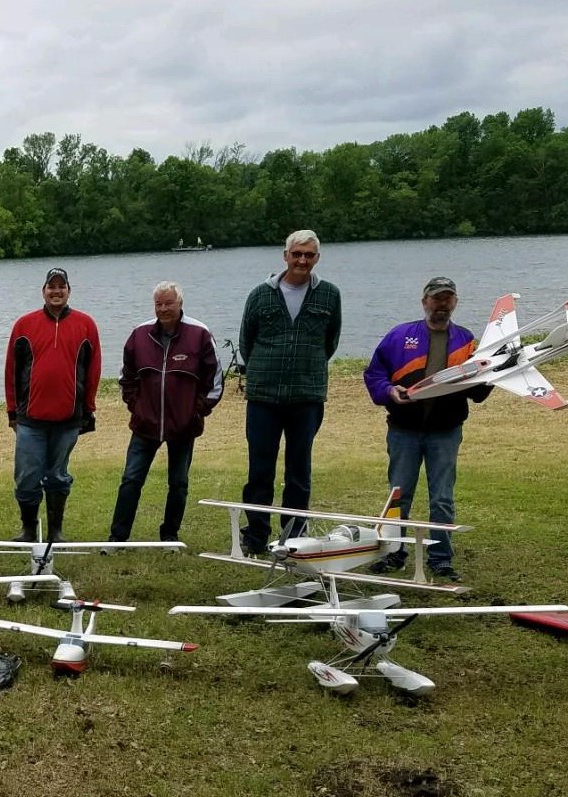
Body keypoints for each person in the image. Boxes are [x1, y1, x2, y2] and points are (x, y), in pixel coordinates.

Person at [362, 277, 491, 581]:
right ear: (424, 302)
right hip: (404, 430)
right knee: (399, 494)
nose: (441, 304)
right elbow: (374, 374)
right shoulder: (399, 336)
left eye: (447, 298)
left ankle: (441, 558)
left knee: (442, 498)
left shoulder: (467, 341)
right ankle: (392, 553)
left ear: (455, 302)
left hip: (445, 431)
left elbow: (479, 391)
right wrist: (389, 391)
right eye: (436, 298)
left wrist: (495, 371)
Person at [237, 230, 342, 554]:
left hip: (306, 397)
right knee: (260, 470)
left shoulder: (329, 295)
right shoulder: (259, 294)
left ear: (317, 258)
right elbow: (246, 342)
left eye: (309, 255)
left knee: (299, 470)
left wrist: (304, 368)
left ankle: (294, 537)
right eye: (296, 254)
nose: (302, 260)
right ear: (285, 255)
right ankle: (256, 535)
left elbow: (330, 342)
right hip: (263, 398)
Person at [107, 282, 221, 544]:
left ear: (180, 303)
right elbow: (127, 376)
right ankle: (117, 537)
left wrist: (196, 412)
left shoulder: (199, 334)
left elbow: (214, 380)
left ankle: (170, 536)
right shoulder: (139, 335)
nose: (163, 308)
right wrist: (136, 405)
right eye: (158, 304)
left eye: (168, 303)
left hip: (183, 426)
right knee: (130, 480)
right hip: (145, 425)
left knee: (178, 483)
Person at [4, 268, 101, 542]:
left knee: (57, 476)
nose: (56, 291)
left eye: (61, 286)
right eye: (51, 286)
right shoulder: (24, 325)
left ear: (69, 290)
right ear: (43, 291)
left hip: (68, 419)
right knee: (26, 477)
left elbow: (93, 370)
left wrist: (88, 409)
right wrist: (12, 410)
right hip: (30, 419)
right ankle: (28, 529)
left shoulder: (86, 325)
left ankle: (56, 531)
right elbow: (12, 370)